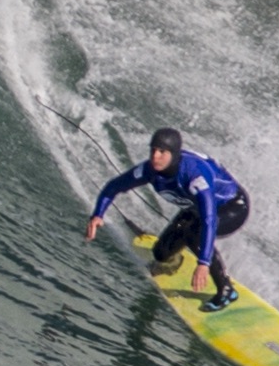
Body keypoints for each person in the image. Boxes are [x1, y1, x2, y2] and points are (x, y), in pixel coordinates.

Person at [81, 126, 252, 306]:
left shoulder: (195, 177)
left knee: (195, 233)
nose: (156, 156)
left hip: (233, 207)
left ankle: (226, 289)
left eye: (162, 152)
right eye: (153, 150)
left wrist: (203, 263)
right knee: (160, 254)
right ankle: (176, 258)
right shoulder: (149, 170)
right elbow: (113, 186)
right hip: (197, 208)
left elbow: (209, 220)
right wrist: (97, 215)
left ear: (174, 154)